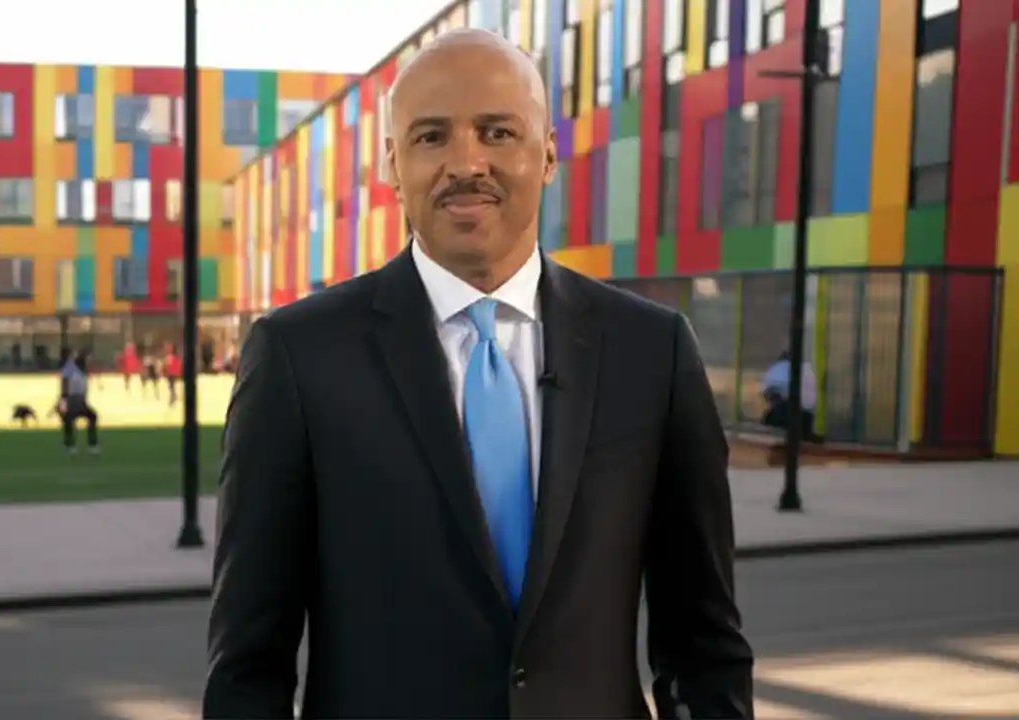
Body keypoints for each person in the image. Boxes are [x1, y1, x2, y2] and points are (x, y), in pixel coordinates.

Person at [205, 29, 753, 719]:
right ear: (392, 163)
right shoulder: (297, 356)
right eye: (432, 137)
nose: (467, 163)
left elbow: (704, 641)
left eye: (497, 132)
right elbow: (248, 665)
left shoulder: (653, 351)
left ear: (549, 152)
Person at [760, 350, 823, 443]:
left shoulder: (779, 369)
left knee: (769, 420)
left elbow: (769, 392)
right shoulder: (807, 369)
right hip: (807, 417)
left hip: (788, 414)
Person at [59, 349, 99, 454]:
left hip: (81, 399)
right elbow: (65, 383)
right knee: (69, 420)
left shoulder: (82, 371)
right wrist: (64, 399)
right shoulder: (70, 368)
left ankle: (86, 444)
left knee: (90, 417)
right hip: (72, 399)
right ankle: (73, 445)